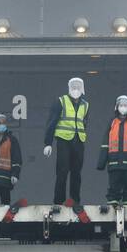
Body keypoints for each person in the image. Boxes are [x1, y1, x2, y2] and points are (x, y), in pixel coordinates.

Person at [42, 77, 89, 206]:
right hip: (64, 141)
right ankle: (59, 201)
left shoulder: (85, 105)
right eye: (73, 87)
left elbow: (84, 123)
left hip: (78, 141)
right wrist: (48, 143)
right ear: (69, 88)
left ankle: (75, 200)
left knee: (76, 172)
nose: (76, 90)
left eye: (78, 87)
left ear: (82, 89)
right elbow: (52, 122)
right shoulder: (61, 101)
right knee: (62, 171)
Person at [96, 94, 127, 205]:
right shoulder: (112, 122)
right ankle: (113, 199)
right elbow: (105, 143)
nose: (123, 107)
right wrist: (101, 163)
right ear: (117, 106)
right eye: (121, 105)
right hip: (114, 163)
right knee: (114, 184)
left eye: (125, 105)